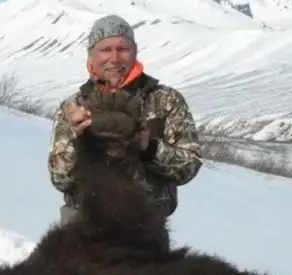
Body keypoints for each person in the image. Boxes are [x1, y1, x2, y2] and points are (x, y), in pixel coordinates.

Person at [47, 14, 204, 226]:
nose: (114, 58)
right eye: (105, 49)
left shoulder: (165, 100)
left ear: (135, 51)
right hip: (82, 221)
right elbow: (60, 179)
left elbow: (189, 166)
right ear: (91, 54)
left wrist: (149, 149)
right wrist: (78, 141)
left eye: (122, 49)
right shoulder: (74, 107)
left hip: (146, 223)